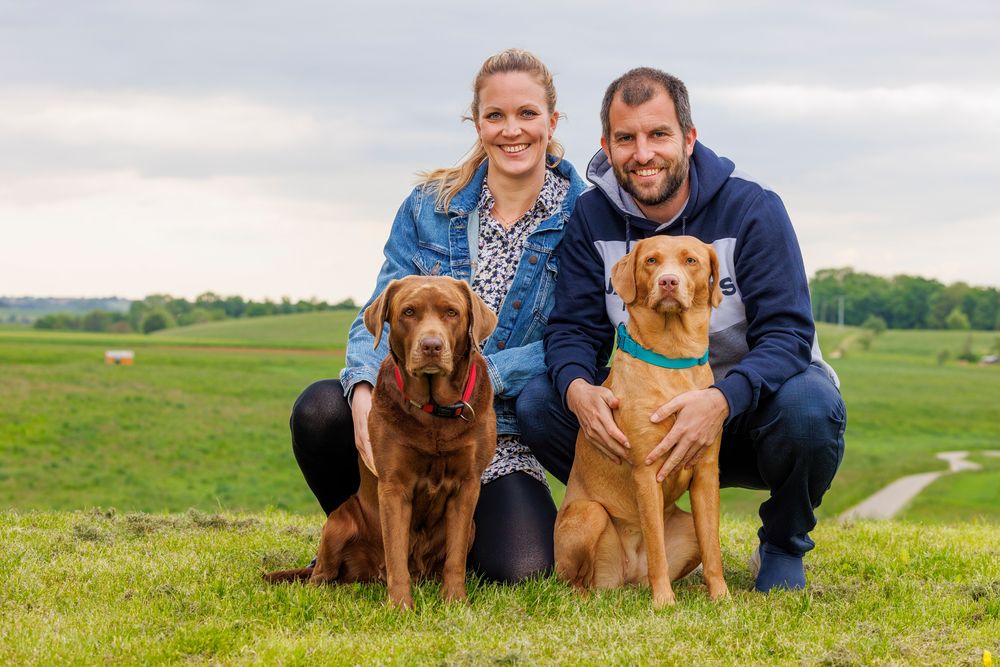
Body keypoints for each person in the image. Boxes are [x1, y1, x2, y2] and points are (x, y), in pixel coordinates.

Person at [516, 67, 846, 592]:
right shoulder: (591, 218)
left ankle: (782, 543)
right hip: (646, 418)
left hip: (747, 411)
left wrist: (720, 400)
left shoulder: (753, 210)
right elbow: (572, 329)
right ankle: (632, 523)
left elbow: (788, 334)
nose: (642, 153)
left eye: (659, 134)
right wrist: (579, 389)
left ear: (689, 139)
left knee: (811, 407)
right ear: (607, 145)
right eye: (626, 138)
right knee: (541, 400)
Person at [289, 49, 587, 583]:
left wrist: (476, 375)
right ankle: (373, 544)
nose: (511, 130)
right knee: (319, 411)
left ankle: (445, 547)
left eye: (527, 114)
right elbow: (378, 308)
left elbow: (574, 338)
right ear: (477, 122)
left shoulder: (583, 218)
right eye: (495, 116)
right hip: (405, 417)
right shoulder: (429, 205)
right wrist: (362, 387)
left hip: (497, 432)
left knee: (520, 568)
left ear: (552, 121)